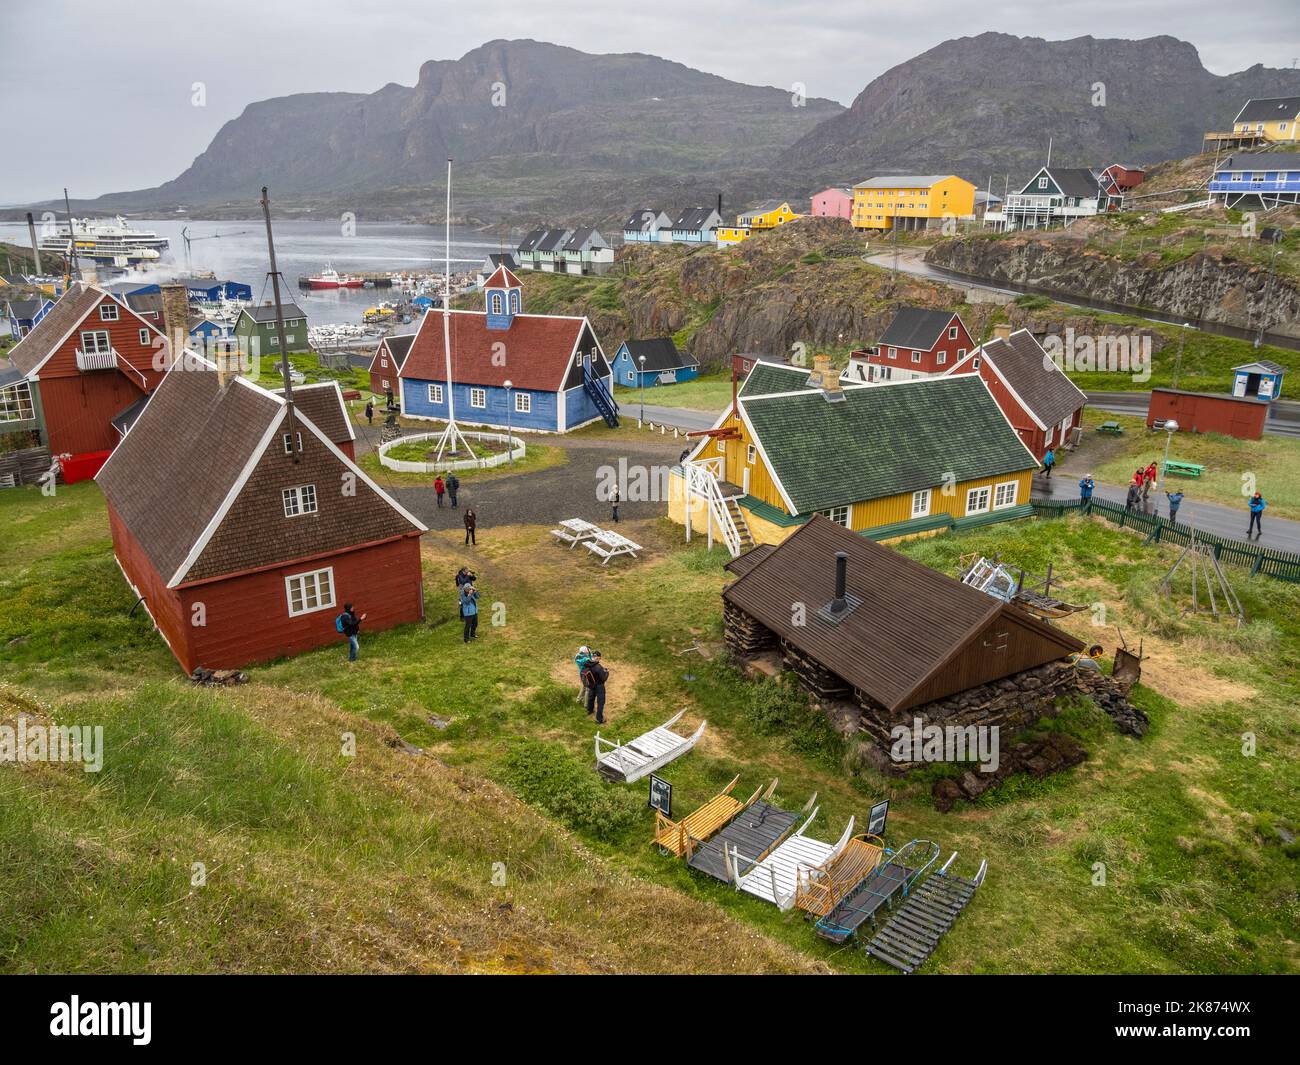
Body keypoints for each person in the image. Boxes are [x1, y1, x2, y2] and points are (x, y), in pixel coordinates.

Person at [581, 650, 608, 725]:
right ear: (599, 658)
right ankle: (599, 719)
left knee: (591, 698)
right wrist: (606, 672)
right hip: (599, 686)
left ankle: (590, 711)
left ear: (592, 656)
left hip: (591, 685)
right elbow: (604, 678)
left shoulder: (586, 664)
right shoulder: (598, 667)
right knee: (601, 702)